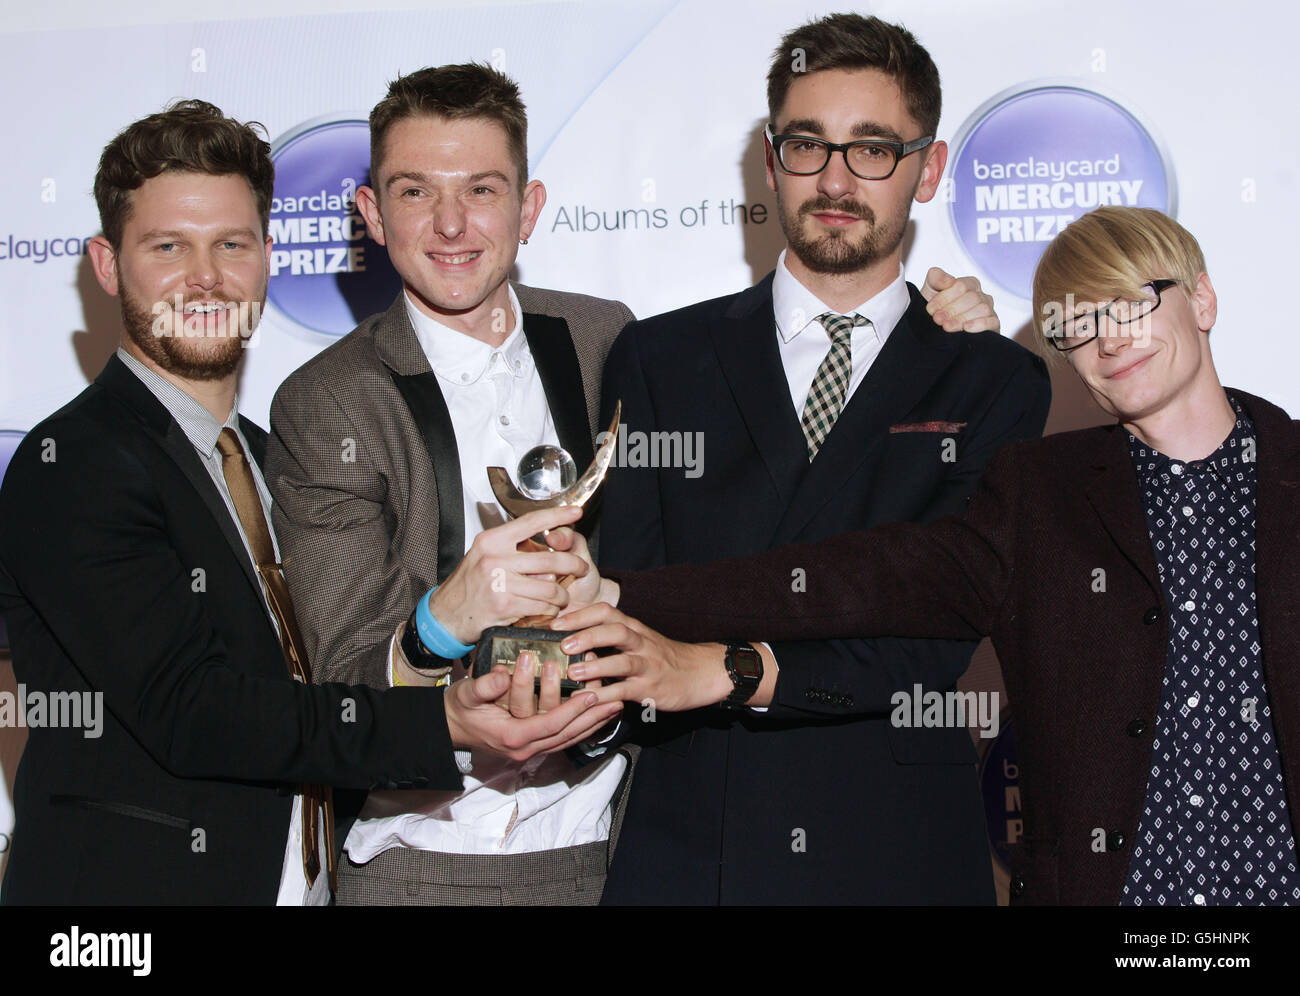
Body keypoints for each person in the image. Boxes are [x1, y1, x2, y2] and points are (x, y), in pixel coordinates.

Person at [266, 60, 1000, 906]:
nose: (451, 224)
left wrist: (937, 336)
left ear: (529, 208)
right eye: (414, 192)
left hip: (605, 851)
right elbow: (345, 687)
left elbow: (713, 564)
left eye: (482, 189)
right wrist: (443, 619)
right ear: (370, 213)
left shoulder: (607, 340)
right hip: (423, 856)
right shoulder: (325, 402)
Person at [564, 205, 1300, 906]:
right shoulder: (1042, 494)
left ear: (1201, 299)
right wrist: (622, 594)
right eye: (1078, 325)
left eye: (1132, 303)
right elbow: (856, 581)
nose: (1109, 340)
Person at [0, 100, 618, 905]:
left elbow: (321, 673)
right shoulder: (76, 464)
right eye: (167, 247)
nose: (207, 277)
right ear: (108, 265)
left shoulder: (263, 455)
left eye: (232, 244)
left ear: (266, 257)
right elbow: (194, 713)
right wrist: (449, 723)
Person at [589, 12, 1049, 904]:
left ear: (930, 168)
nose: (836, 180)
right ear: (771, 160)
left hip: (898, 844)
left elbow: (938, 633)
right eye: (809, 145)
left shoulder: (995, 381)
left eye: (873, 149)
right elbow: (631, 595)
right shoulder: (660, 358)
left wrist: (725, 667)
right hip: (694, 843)